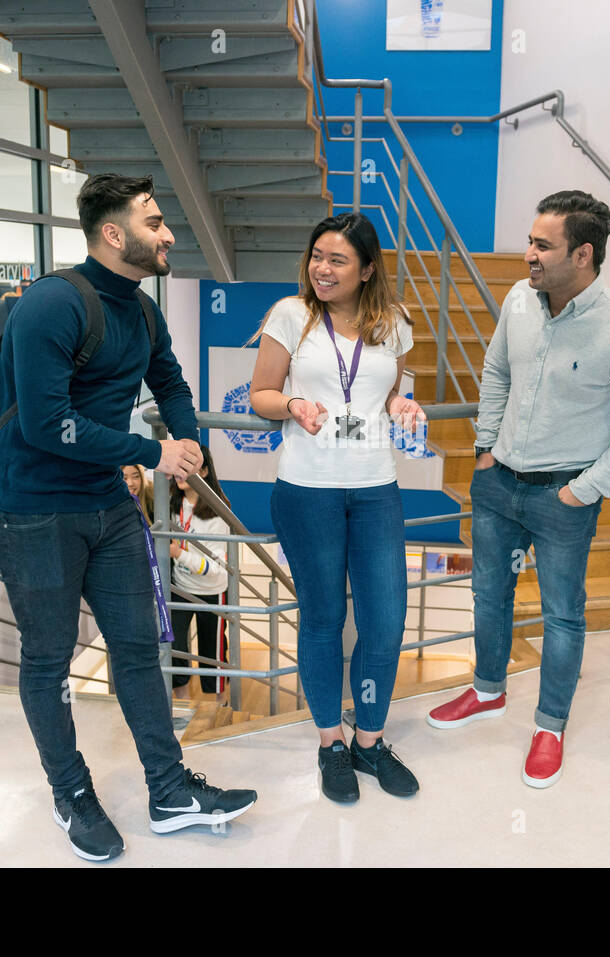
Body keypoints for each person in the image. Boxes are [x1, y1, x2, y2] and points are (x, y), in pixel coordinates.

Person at [0, 173, 256, 862]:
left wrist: (188, 440)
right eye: (156, 221)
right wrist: (151, 451)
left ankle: (168, 791)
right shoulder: (51, 304)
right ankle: (70, 791)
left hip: (106, 502)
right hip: (33, 508)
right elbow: (47, 425)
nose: (168, 233)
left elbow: (169, 378)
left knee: (138, 646)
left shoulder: (140, 308)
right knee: (49, 659)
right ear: (113, 233)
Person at [427, 190, 610, 789]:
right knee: (488, 595)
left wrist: (584, 491)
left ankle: (550, 725)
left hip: (563, 496)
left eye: (542, 245)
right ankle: (487, 691)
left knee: (562, 615)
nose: (527, 254)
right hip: (498, 482)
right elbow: (496, 371)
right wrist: (485, 448)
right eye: (530, 240)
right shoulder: (519, 299)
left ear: (583, 254)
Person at [248, 212, 426, 804]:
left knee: (384, 622)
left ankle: (369, 741)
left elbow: (395, 387)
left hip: (376, 485)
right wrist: (293, 404)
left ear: (367, 268)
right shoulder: (289, 316)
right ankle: (331, 744)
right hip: (307, 488)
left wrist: (405, 404)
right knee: (324, 620)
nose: (321, 268)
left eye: (337, 260)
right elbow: (261, 394)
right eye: (316, 255)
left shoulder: (394, 323)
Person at [166, 448, 230, 703]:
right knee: (175, 649)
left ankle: (220, 707)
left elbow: (217, 566)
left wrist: (179, 555)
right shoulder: (171, 502)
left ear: (204, 471)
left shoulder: (218, 510)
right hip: (180, 589)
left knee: (212, 653)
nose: (180, 472)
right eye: (178, 466)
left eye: (188, 465)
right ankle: (181, 706)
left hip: (212, 592)